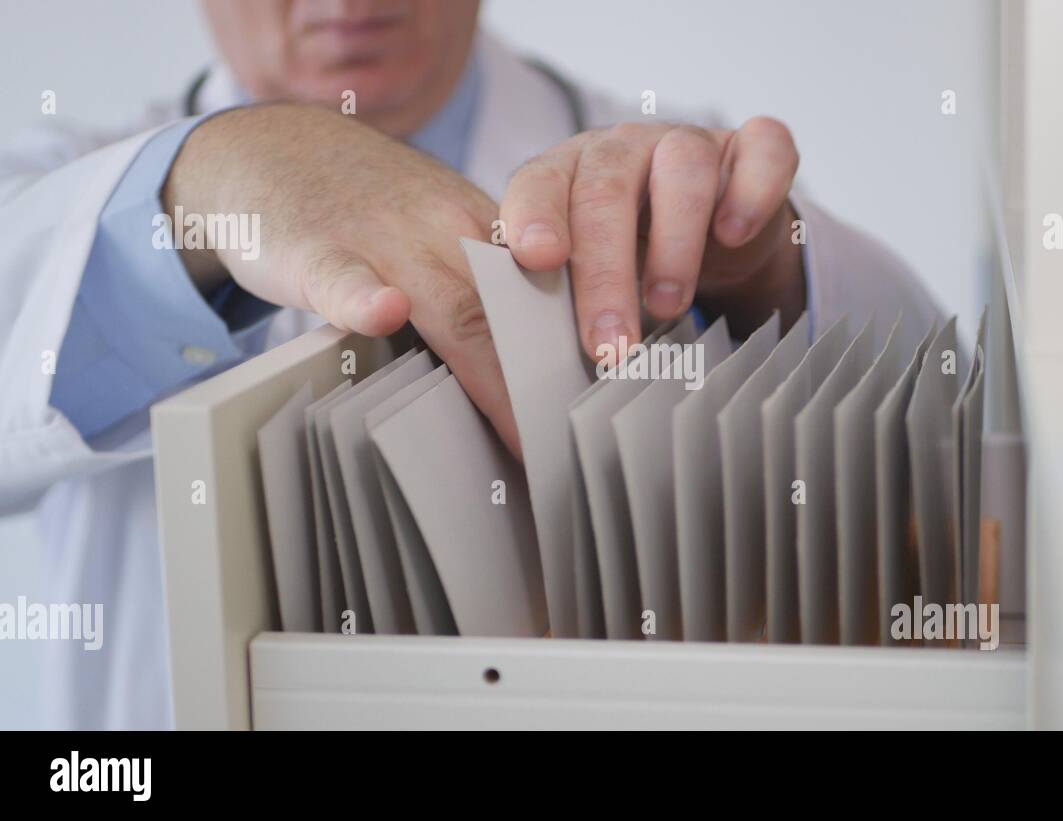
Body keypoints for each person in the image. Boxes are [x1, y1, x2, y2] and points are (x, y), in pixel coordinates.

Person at [0, 0, 940, 728]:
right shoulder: (64, 188)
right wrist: (209, 181)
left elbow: (939, 425)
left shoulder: (670, 160)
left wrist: (766, 280)